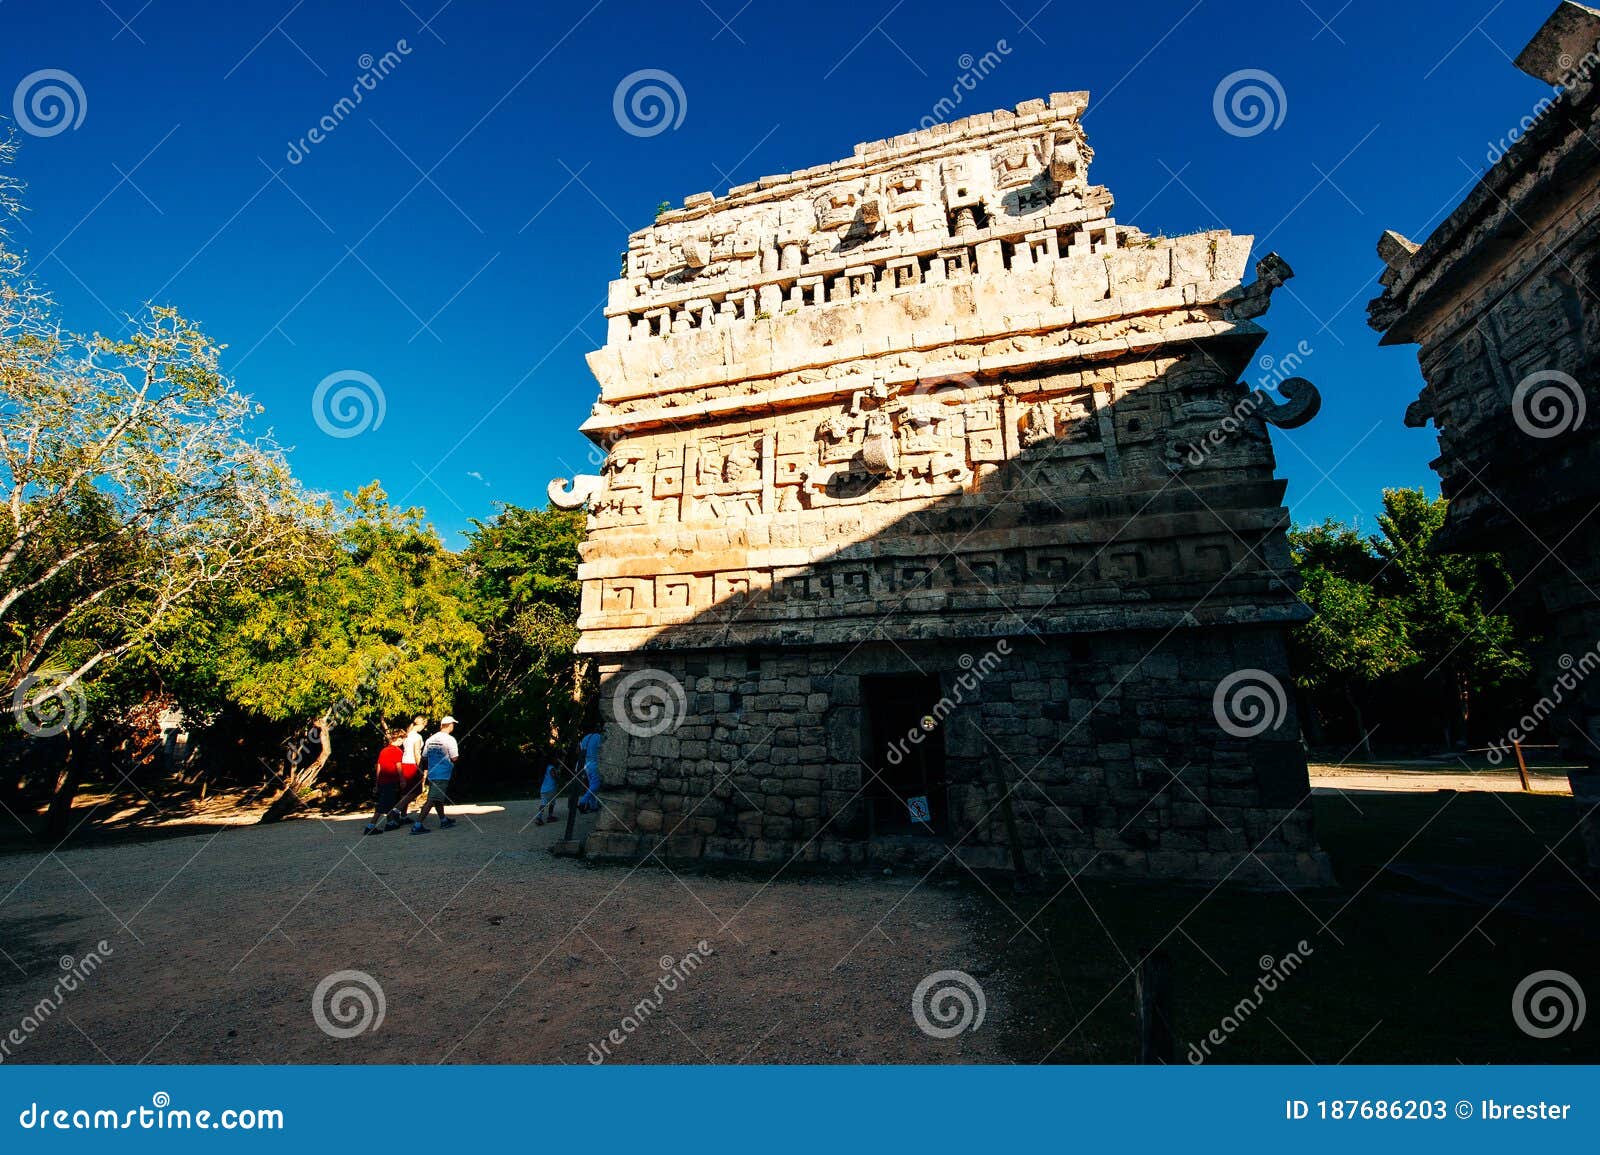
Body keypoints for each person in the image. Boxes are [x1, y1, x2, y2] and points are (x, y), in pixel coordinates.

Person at [412, 716, 459, 834]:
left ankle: (443, 820)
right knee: (432, 799)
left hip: (433, 773)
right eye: (453, 724)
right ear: (450, 725)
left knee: (438, 798)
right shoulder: (450, 739)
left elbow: (424, 757)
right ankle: (418, 825)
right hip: (442, 773)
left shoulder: (430, 739)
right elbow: (454, 757)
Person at [365, 728, 406, 835]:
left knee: (388, 802)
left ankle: (390, 822)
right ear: (399, 738)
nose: (402, 742)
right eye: (402, 739)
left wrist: (377, 782)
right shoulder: (397, 751)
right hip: (391, 780)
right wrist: (402, 779)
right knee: (383, 805)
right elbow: (399, 766)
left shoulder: (383, 751)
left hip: (382, 780)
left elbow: (379, 767)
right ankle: (371, 826)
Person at [396, 714, 426, 818]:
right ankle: (396, 811)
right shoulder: (417, 737)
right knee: (416, 790)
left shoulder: (407, 735)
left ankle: (403, 815)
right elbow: (417, 753)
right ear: (422, 724)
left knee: (406, 792)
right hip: (412, 764)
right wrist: (420, 768)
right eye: (424, 725)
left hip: (404, 763)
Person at [577, 729, 602, 812]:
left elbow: (579, 750)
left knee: (591, 785)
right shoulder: (599, 737)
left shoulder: (585, 738)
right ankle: (583, 801)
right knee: (596, 784)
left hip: (586, 764)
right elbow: (601, 749)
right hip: (594, 763)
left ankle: (593, 806)